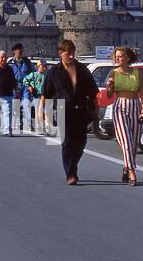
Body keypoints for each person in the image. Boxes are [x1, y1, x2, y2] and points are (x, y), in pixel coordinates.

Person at [43, 39, 99, 184]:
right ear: (60, 53)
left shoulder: (82, 70)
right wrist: (46, 116)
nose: (72, 56)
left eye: (73, 53)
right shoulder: (54, 72)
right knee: (67, 142)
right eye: (68, 54)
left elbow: (93, 92)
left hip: (82, 110)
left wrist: (96, 110)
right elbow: (47, 95)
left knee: (81, 143)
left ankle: (72, 166)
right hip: (63, 110)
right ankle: (70, 174)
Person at [109, 46, 143, 185]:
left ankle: (125, 169)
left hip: (135, 106)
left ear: (128, 58)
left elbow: (142, 92)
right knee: (126, 142)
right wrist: (109, 86)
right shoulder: (113, 73)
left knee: (134, 143)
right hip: (120, 106)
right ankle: (132, 171)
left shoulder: (136, 73)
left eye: (120, 56)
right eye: (116, 56)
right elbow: (109, 95)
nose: (117, 59)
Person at [7, 45, 35, 136]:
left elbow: (33, 72)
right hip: (15, 86)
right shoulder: (10, 63)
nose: (21, 53)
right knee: (16, 105)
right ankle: (19, 124)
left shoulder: (27, 62)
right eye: (20, 52)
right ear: (14, 52)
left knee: (26, 104)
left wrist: (31, 84)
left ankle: (28, 124)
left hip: (26, 85)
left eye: (22, 51)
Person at [22, 60, 47, 133]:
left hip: (43, 95)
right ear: (38, 67)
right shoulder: (33, 75)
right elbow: (25, 80)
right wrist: (30, 86)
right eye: (43, 67)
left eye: (45, 67)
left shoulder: (46, 76)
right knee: (38, 111)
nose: (44, 68)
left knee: (45, 111)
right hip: (36, 95)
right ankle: (38, 127)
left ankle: (46, 126)